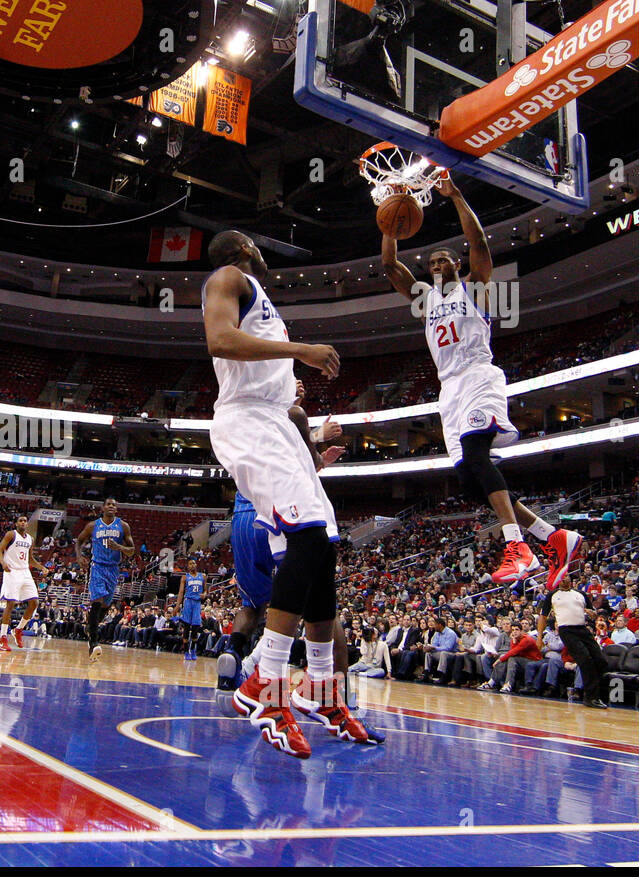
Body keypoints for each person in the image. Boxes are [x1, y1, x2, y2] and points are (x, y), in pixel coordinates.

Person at [202, 229, 370, 758]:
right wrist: (301, 350)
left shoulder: (262, 299)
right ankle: (265, 684)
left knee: (321, 546)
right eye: (256, 245)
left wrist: (293, 397)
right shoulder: (227, 278)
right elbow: (219, 341)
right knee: (306, 537)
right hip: (248, 424)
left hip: (275, 424)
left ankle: (321, 686)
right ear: (246, 249)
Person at [380, 173, 582, 588]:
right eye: (432, 262)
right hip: (448, 390)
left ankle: (518, 548)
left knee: (476, 455)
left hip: (477, 377)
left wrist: (454, 196)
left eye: (444, 260)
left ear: (456, 265)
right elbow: (389, 266)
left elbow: (480, 245)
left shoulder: (475, 288)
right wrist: (389, 227)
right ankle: (553, 536)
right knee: (470, 479)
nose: (437, 266)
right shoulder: (426, 299)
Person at [74, 499, 135, 662]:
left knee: (105, 605)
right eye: (108, 504)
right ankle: (93, 642)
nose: (111, 506)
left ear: (117, 508)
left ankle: (90, 628)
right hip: (97, 566)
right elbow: (79, 540)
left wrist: (119, 547)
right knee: (96, 601)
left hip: (113, 568)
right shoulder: (93, 526)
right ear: (103, 508)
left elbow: (132, 551)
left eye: (114, 504)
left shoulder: (123, 526)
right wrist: (79, 556)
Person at [537, 573, 609, 709]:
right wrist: (540, 637)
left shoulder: (580, 593)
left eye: (566, 577)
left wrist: (592, 614)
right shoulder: (552, 595)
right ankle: (591, 697)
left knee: (601, 661)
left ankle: (595, 692)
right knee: (585, 659)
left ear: (570, 579)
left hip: (582, 628)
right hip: (566, 630)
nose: (564, 579)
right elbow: (543, 617)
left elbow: (592, 612)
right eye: (561, 577)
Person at [0, 515, 46, 651]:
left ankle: (18, 630)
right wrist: (3, 563)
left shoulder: (30, 539)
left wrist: (41, 567)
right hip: (11, 571)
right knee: (10, 603)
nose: (23, 523)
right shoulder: (11, 535)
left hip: (25, 572)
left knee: (34, 602)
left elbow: (30, 559)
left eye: (25, 521)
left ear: (27, 524)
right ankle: (2, 638)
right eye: (20, 521)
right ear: (16, 523)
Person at [178, 559, 206, 661]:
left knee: (195, 628)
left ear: (196, 565)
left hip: (197, 603)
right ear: (188, 566)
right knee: (186, 627)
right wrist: (177, 606)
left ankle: (193, 650)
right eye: (190, 563)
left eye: (194, 563)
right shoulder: (185, 577)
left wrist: (205, 594)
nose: (192, 565)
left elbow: (206, 590)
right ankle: (186, 651)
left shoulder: (203, 576)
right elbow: (181, 592)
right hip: (188, 602)